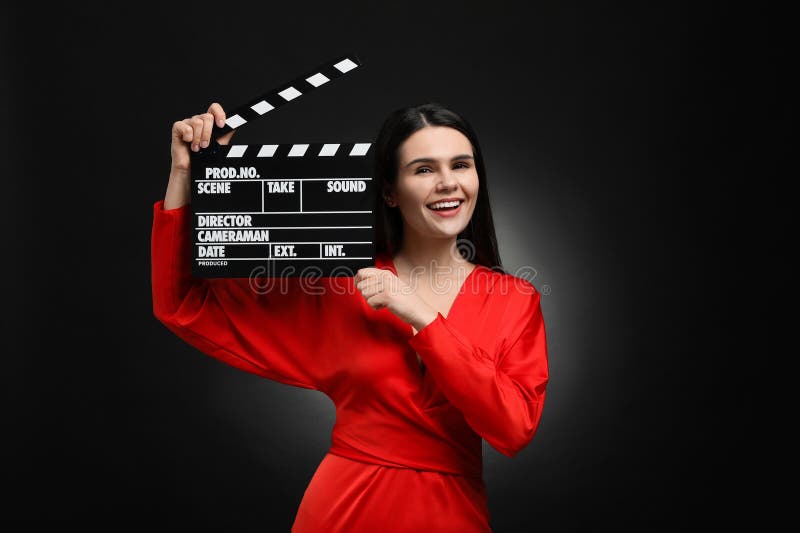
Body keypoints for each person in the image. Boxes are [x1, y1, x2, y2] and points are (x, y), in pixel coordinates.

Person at [151, 100, 549, 532]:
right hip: (343, 512)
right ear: (390, 192)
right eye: (423, 169)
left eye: (461, 165)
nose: (447, 183)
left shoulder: (514, 299)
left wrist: (421, 315)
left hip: (453, 516)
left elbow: (513, 428)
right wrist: (187, 174)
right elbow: (185, 304)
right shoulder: (344, 284)